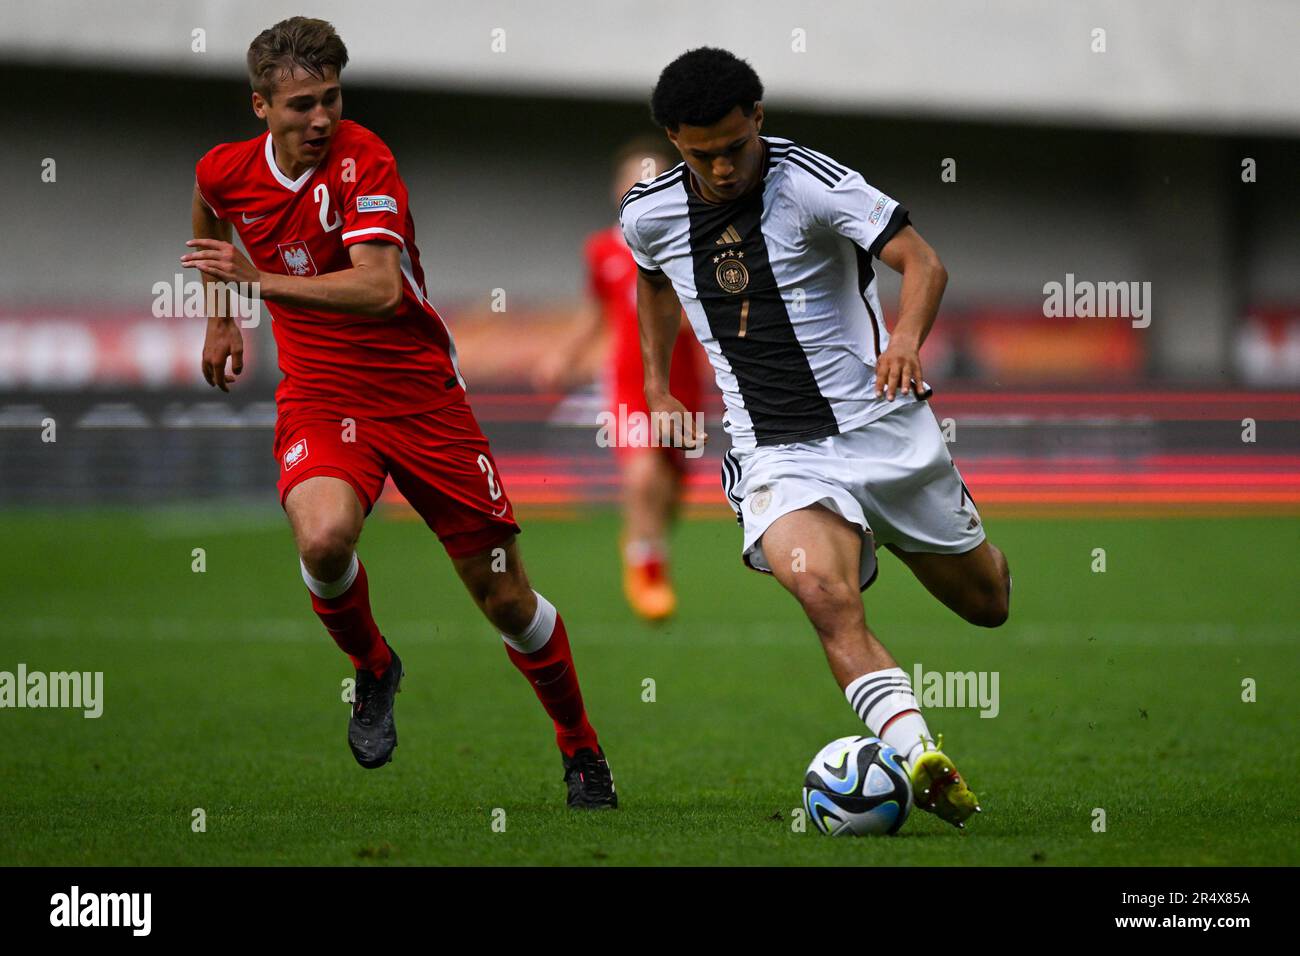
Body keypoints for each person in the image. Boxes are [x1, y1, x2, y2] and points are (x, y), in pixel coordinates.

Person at [182, 16, 615, 808]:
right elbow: (208, 210)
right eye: (303, 105)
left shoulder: (364, 156)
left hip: (419, 396)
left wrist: (256, 285)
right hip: (319, 394)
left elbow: (380, 290)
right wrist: (220, 313)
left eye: (332, 100)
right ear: (260, 108)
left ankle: (581, 747)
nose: (321, 120)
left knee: (505, 597)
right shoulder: (224, 169)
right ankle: (375, 666)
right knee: (321, 539)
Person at [621, 47, 1012, 828]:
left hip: (884, 429)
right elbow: (654, 280)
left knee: (988, 603)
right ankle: (918, 754)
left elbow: (922, 262)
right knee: (825, 595)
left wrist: (904, 341)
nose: (723, 167)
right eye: (703, 154)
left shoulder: (813, 183)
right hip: (779, 452)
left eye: (735, 146)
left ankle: (897, 530)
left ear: (757, 118)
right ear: (673, 139)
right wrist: (656, 382)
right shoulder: (649, 213)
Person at [536, 139, 706, 621]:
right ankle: (647, 569)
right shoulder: (602, 250)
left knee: (669, 493)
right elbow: (596, 313)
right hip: (631, 386)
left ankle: (642, 538)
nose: (645, 191)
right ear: (618, 191)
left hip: (683, 388)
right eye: (635, 183)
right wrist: (563, 356)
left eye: (656, 182)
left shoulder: (693, 244)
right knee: (642, 474)